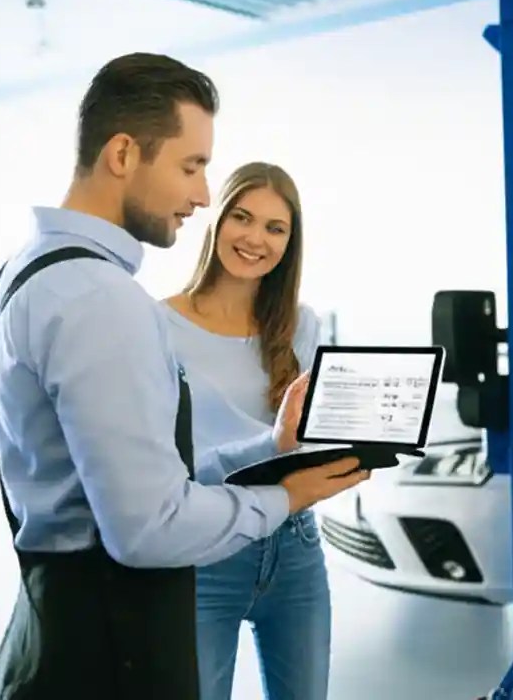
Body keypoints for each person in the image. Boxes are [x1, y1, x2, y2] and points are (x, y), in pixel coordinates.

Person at [0, 53, 370, 700]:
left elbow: (149, 469)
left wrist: (272, 449)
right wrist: (288, 496)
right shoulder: (104, 300)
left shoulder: (27, 272)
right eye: (191, 166)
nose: (201, 193)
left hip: (52, 628)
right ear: (124, 153)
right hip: (106, 643)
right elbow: (150, 526)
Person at [163, 161, 330, 700]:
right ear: (217, 222)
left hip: (296, 545)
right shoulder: (157, 325)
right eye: (242, 217)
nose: (256, 238)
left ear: (290, 241)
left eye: (275, 228)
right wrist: (273, 443)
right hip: (207, 549)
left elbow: (307, 436)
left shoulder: (303, 325)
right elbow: (169, 465)